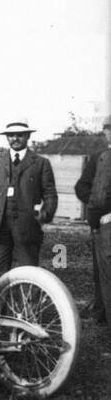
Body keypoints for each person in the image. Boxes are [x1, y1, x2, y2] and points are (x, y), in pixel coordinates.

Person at [0, 121, 58, 283]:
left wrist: (44, 215)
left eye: (20, 135)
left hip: (27, 227)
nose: (15, 139)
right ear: (6, 138)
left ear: (28, 136)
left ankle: (29, 307)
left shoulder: (40, 163)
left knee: (29, 273)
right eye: (11, 135)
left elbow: (50, 193)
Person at [74, 116, 111, 324]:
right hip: (101, 226)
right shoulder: (98, 158)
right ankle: (102, 310)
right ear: (105, 132)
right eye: (109, 129)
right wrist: (96, 202)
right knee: (102, 271)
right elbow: (81, 186)